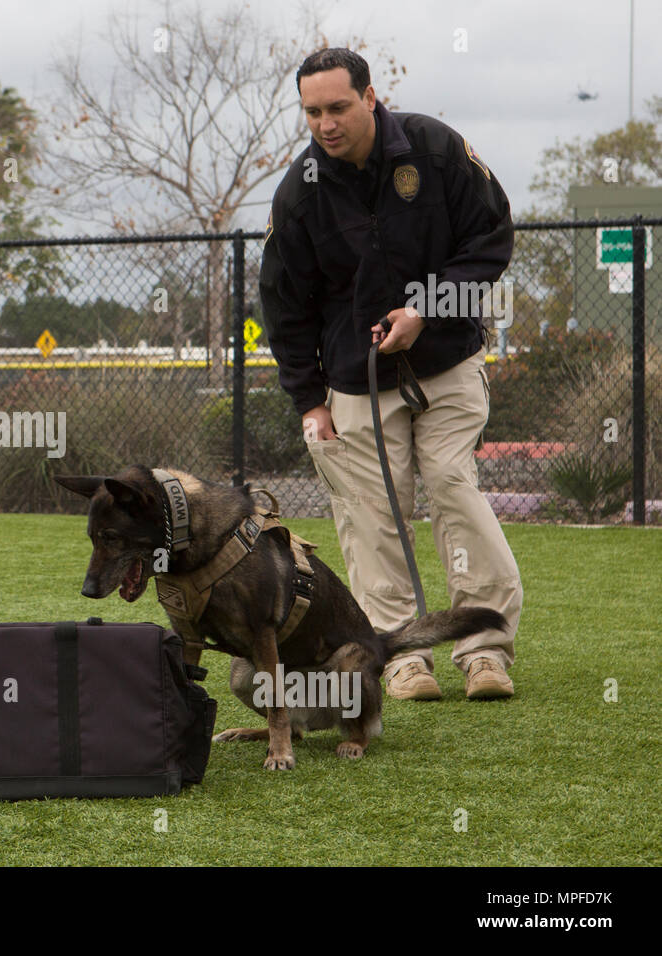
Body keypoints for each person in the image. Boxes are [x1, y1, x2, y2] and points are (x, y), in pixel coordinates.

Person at [259, 48, 522, 700]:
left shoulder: (435, 151)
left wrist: (426, 309)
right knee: (374, 515)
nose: (326, 123)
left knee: (452, 486)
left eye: (339, 107)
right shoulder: (299, 193)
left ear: (370, 97)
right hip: (354, 382)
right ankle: (403, 657)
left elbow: (491, 238)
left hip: (447, 362)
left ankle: (485, 648)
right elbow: (285, 306)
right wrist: (307, 401)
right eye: (313, 111)